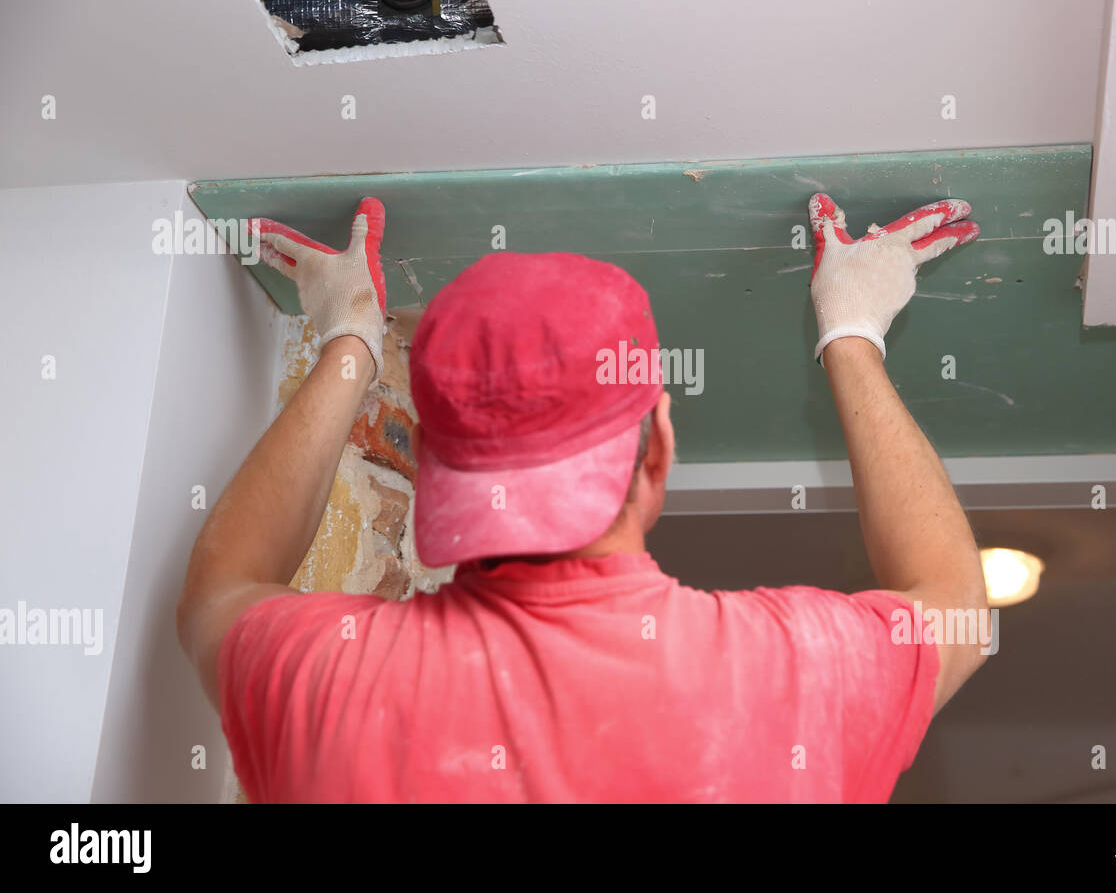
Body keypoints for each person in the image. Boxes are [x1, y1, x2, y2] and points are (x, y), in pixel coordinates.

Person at [177, 191, 989, 802]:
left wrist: (350, 340)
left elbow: (220, 590)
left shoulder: (330, 686)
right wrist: (853, 332)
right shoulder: (786, 680)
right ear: (659, 450)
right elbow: (957, 605)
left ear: (425, 464)